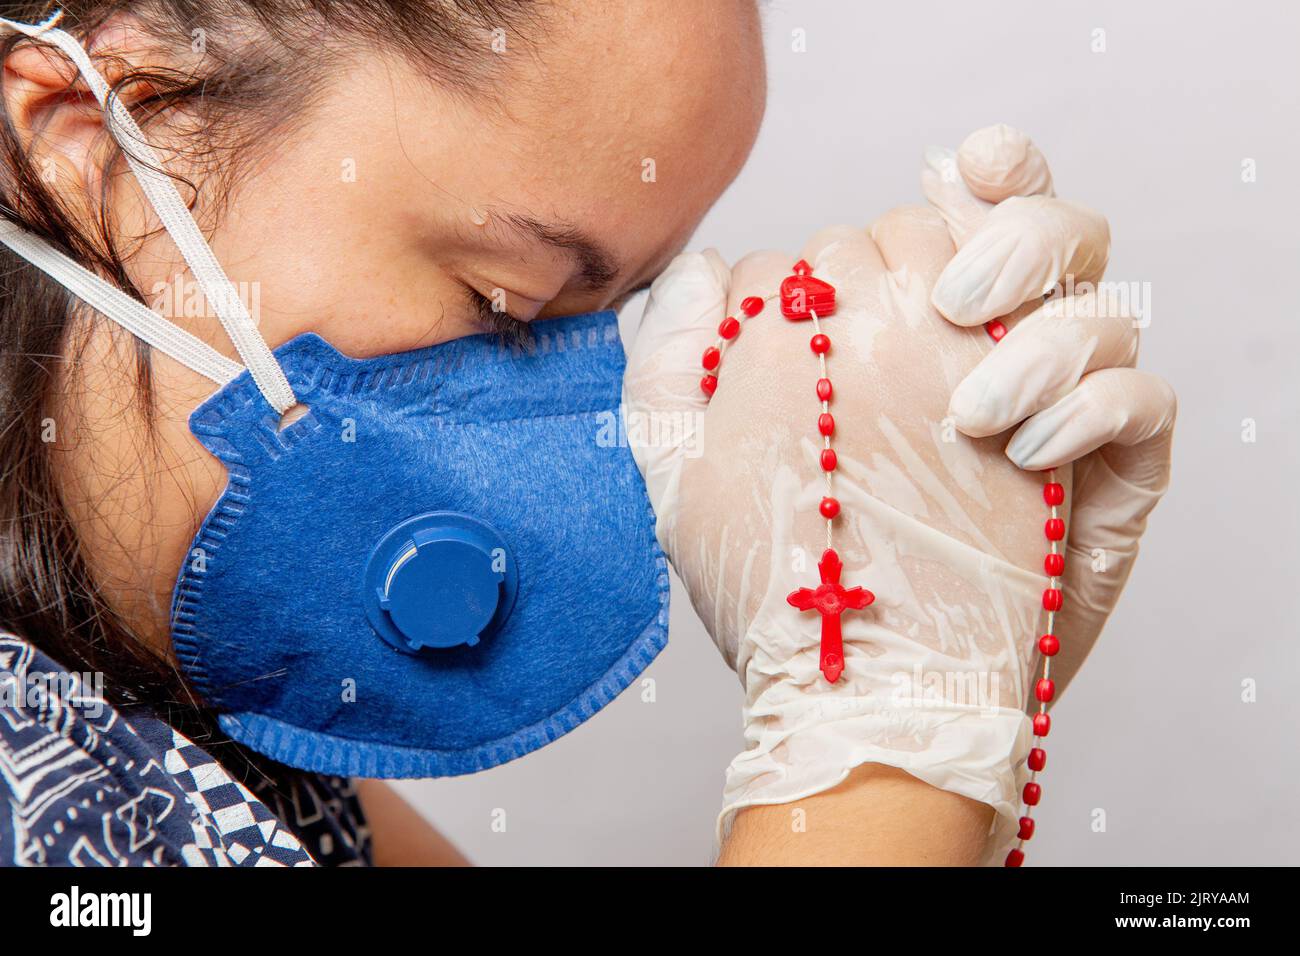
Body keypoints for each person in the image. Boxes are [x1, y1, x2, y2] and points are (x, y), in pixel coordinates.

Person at [0, 0, 1170, 867]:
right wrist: (889, 733)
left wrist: (968, 690)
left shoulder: (199, 702)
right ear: (90, 132)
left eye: (607, 325)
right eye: (506, 302)